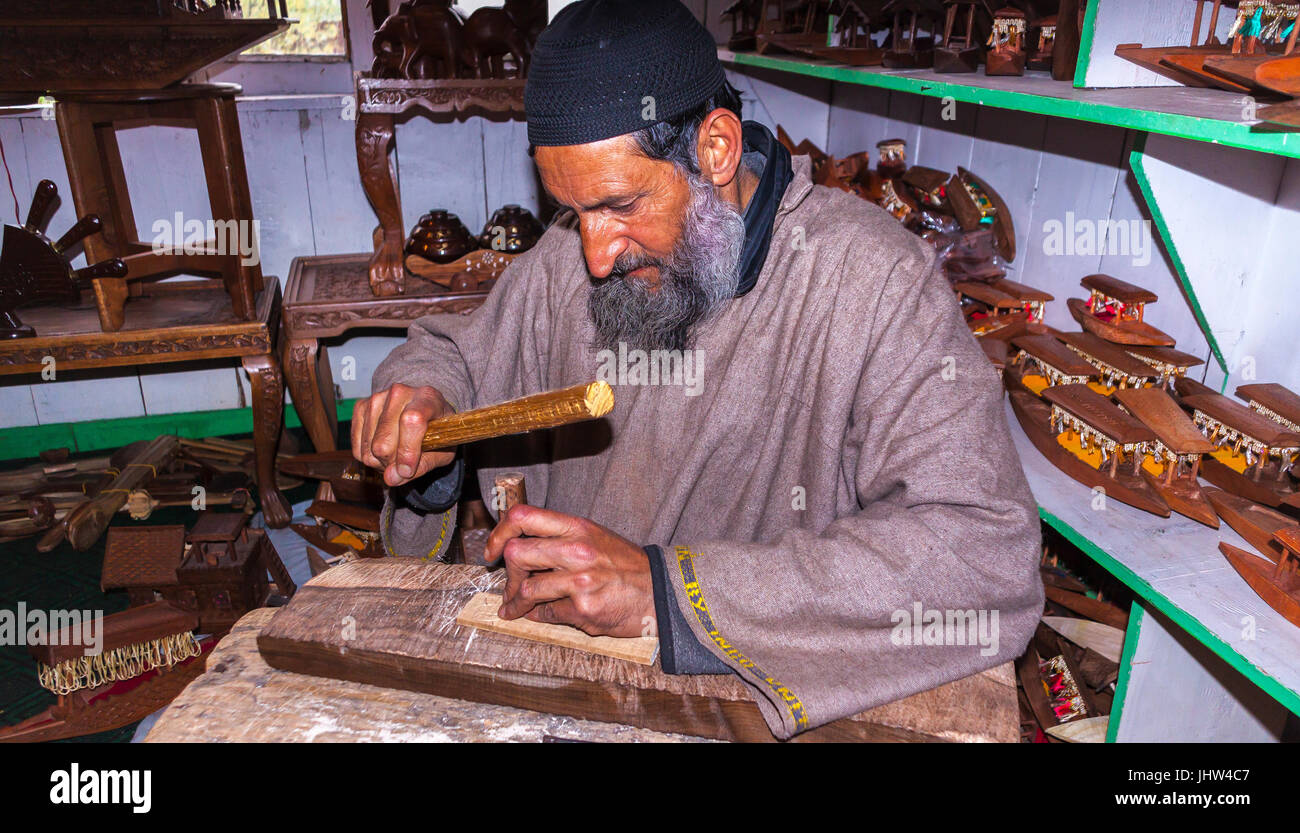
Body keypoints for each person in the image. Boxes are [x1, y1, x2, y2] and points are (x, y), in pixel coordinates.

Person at [352, 0, 1042, 738]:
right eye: (571, 208)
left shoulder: (871, 281)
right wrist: (423, 397)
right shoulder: (570, 258)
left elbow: (981, 550)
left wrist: (661, 590)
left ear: (715, 149)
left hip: (749, 706)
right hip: (569, 686)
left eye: (619, 204)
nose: (593, 254)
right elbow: (456, 348)